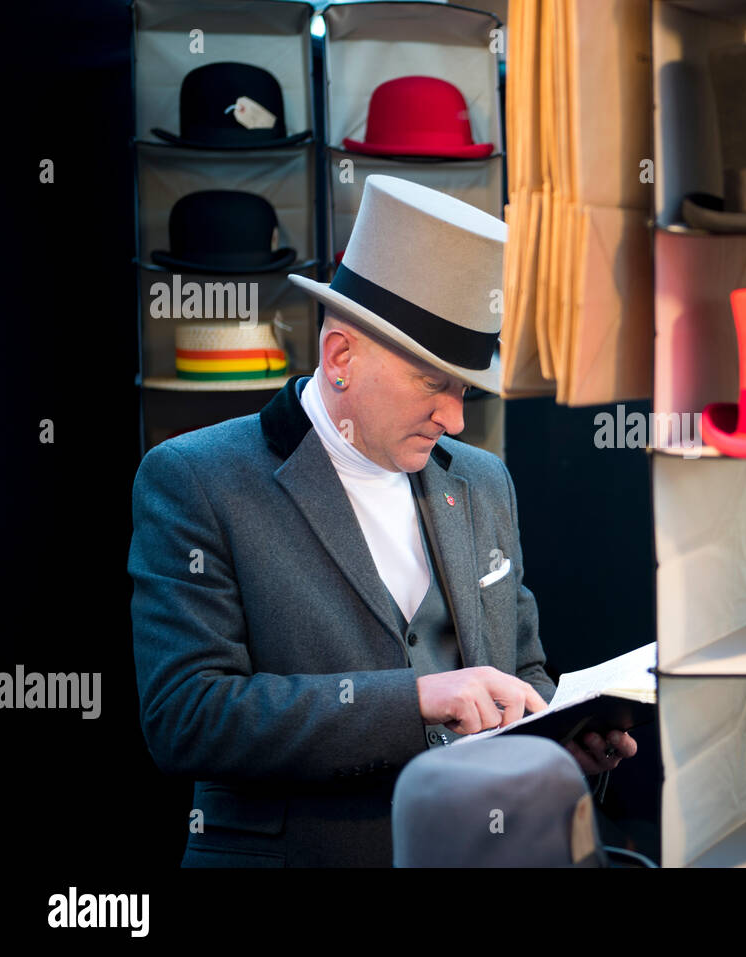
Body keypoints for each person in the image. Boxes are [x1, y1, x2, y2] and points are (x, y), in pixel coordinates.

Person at [129, 176, 635, 867]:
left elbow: (523, 670)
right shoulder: (195, 479)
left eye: (464, 388)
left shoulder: (482, 480)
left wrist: (557, 741)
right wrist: (418, 697)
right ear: (341, 358)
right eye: (434, 382)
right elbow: (186, 717)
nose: (456, 418)